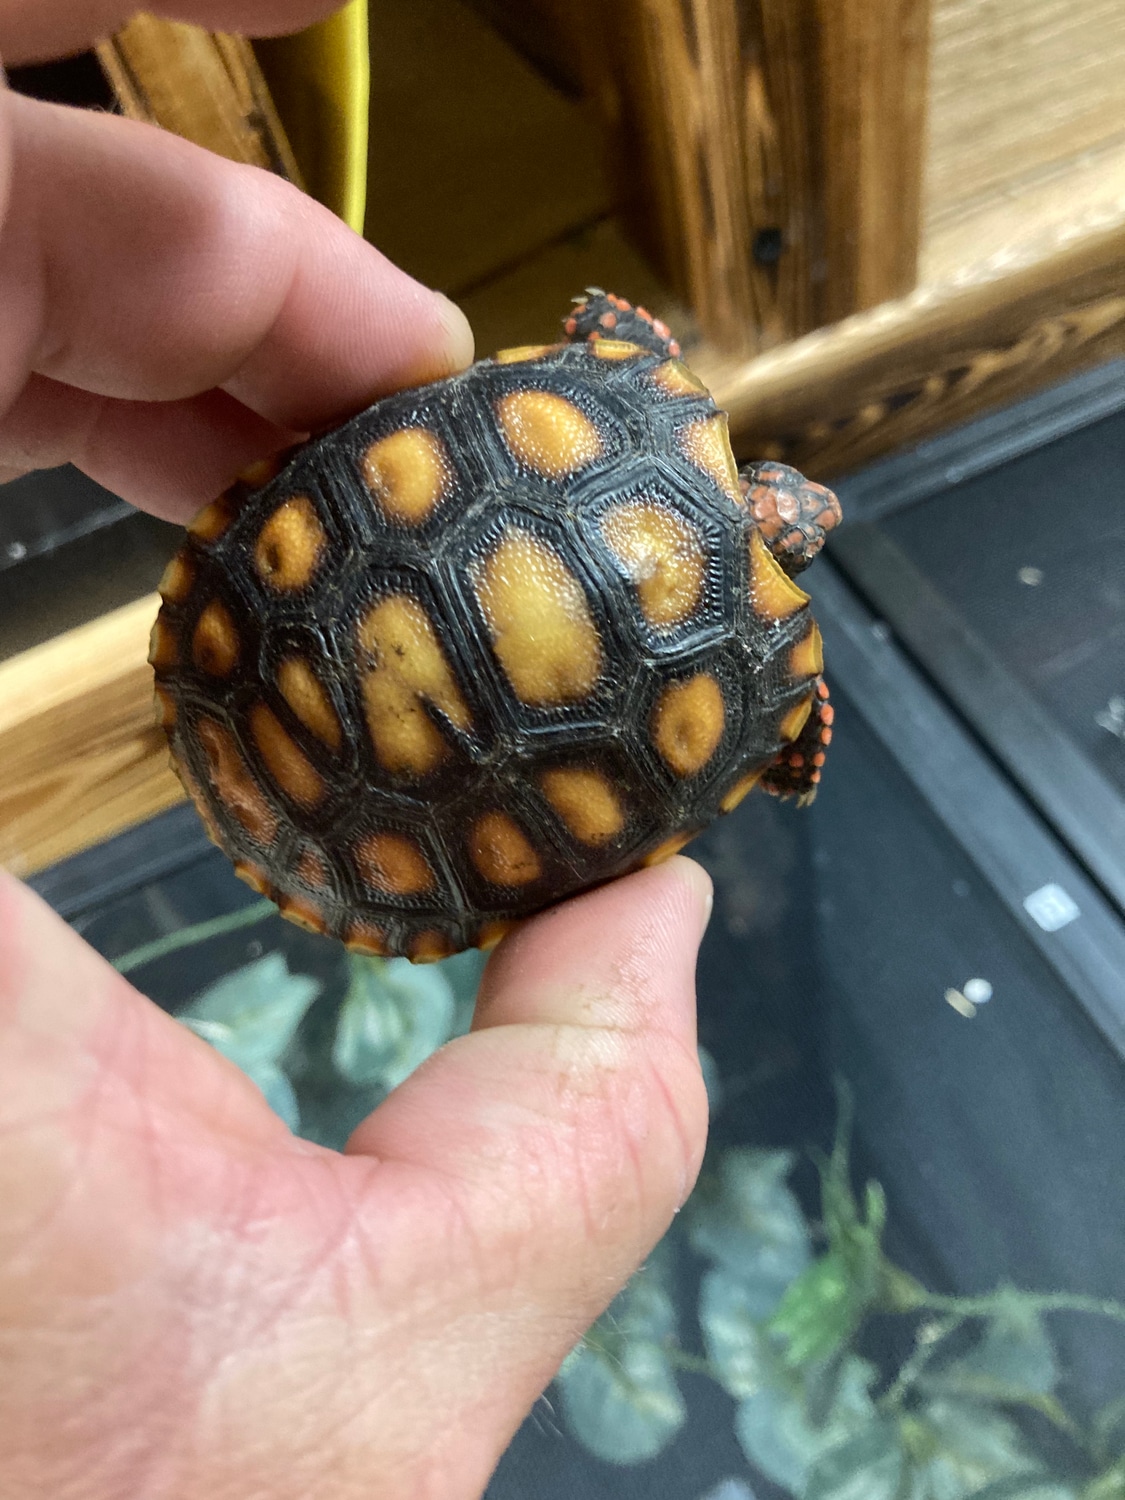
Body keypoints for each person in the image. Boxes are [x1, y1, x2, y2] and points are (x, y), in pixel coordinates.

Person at [0, 5, 712, 1495]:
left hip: (257, 652)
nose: (792, 509)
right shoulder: (753, 668)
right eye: (784, 512)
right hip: (349, 803)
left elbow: (606, 343)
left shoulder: (628, 408)